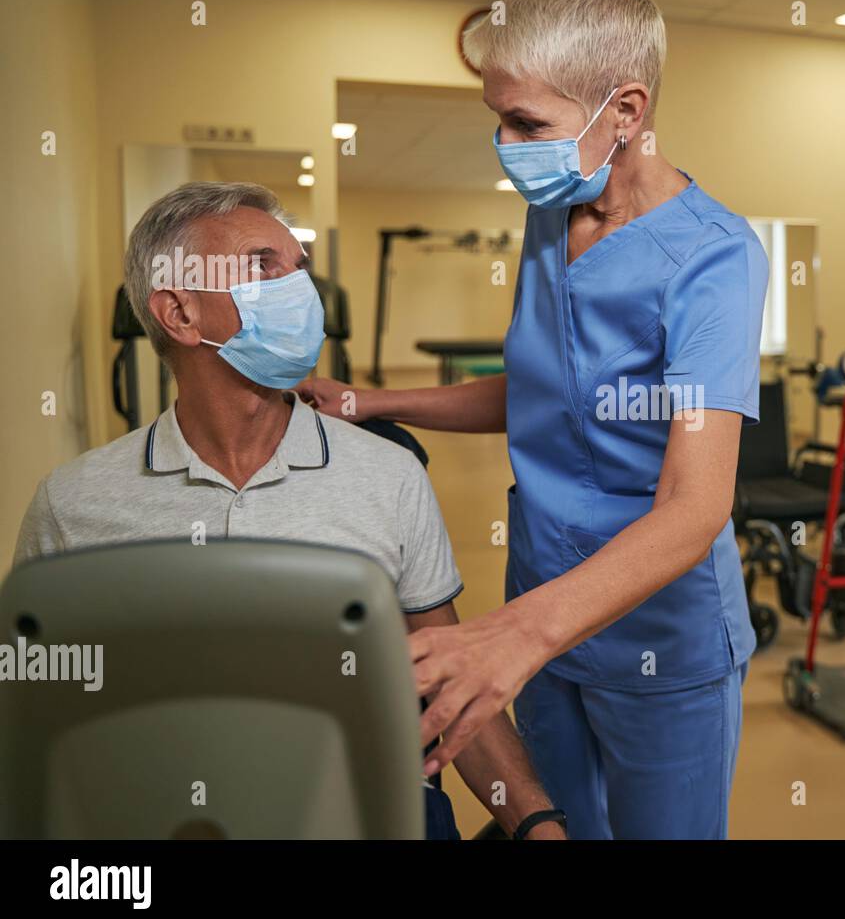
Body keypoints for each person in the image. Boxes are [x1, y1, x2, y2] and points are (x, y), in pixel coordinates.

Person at [298, 0, 768, 839]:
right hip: (545, 603)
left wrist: (512, 636)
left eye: (526, 124)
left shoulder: (714, 257)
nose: (503, 144)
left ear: (624, 111)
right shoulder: (554, 217)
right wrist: (369, 399)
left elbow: (696, 508)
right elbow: (549, 396)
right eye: (498, 118)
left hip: (656, 632)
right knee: (554, 830)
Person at [13, 181, 565, 841]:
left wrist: (535, 821)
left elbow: (449, 683)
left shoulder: (389, 477)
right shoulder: (74, 505)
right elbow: (36, 715)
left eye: (297, 268)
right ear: (179, 314)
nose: (300, 290)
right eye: (260, 266)